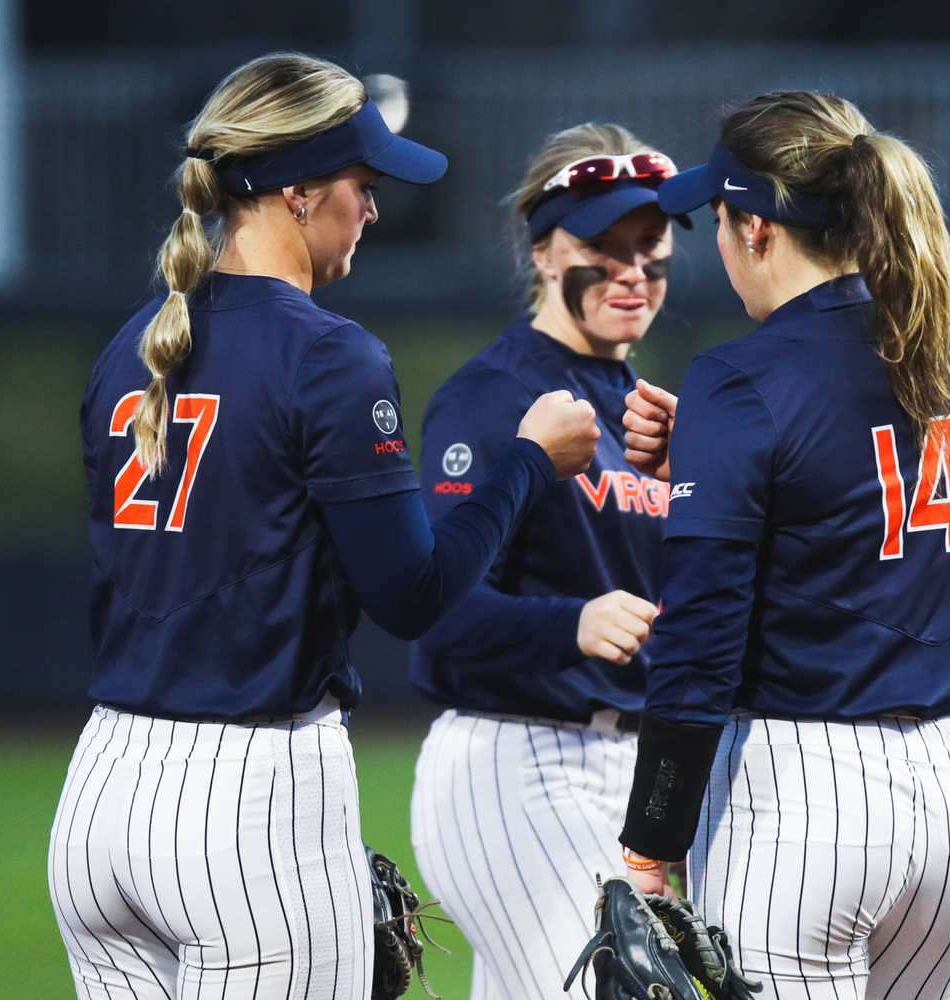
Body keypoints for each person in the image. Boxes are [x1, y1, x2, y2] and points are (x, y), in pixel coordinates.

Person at [46, 52, 600, 1000]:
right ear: (298, 192)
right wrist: (524, 464)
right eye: (362, 184)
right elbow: (412, 596)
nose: (373, 210)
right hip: (248, 798)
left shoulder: (131, 348)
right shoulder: (329, 355)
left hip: (101, 792)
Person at [615, 91, 950, 999]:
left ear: (757, 228)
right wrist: (710, 461)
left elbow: (700, 632)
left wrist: (650, 843)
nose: (718, 241)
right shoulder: (946, 359)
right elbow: (848, 503)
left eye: (718, 219)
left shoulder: (740, 379)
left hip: (802, 795)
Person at [406, 124, 682, 999]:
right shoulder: (494, 397)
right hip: (514, 760)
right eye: (603, 245)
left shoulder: (646, 410)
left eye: (650, 244)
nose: (631, 269)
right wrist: (572, 623)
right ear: (543, 251)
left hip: (625, 768)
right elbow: (434, 610)